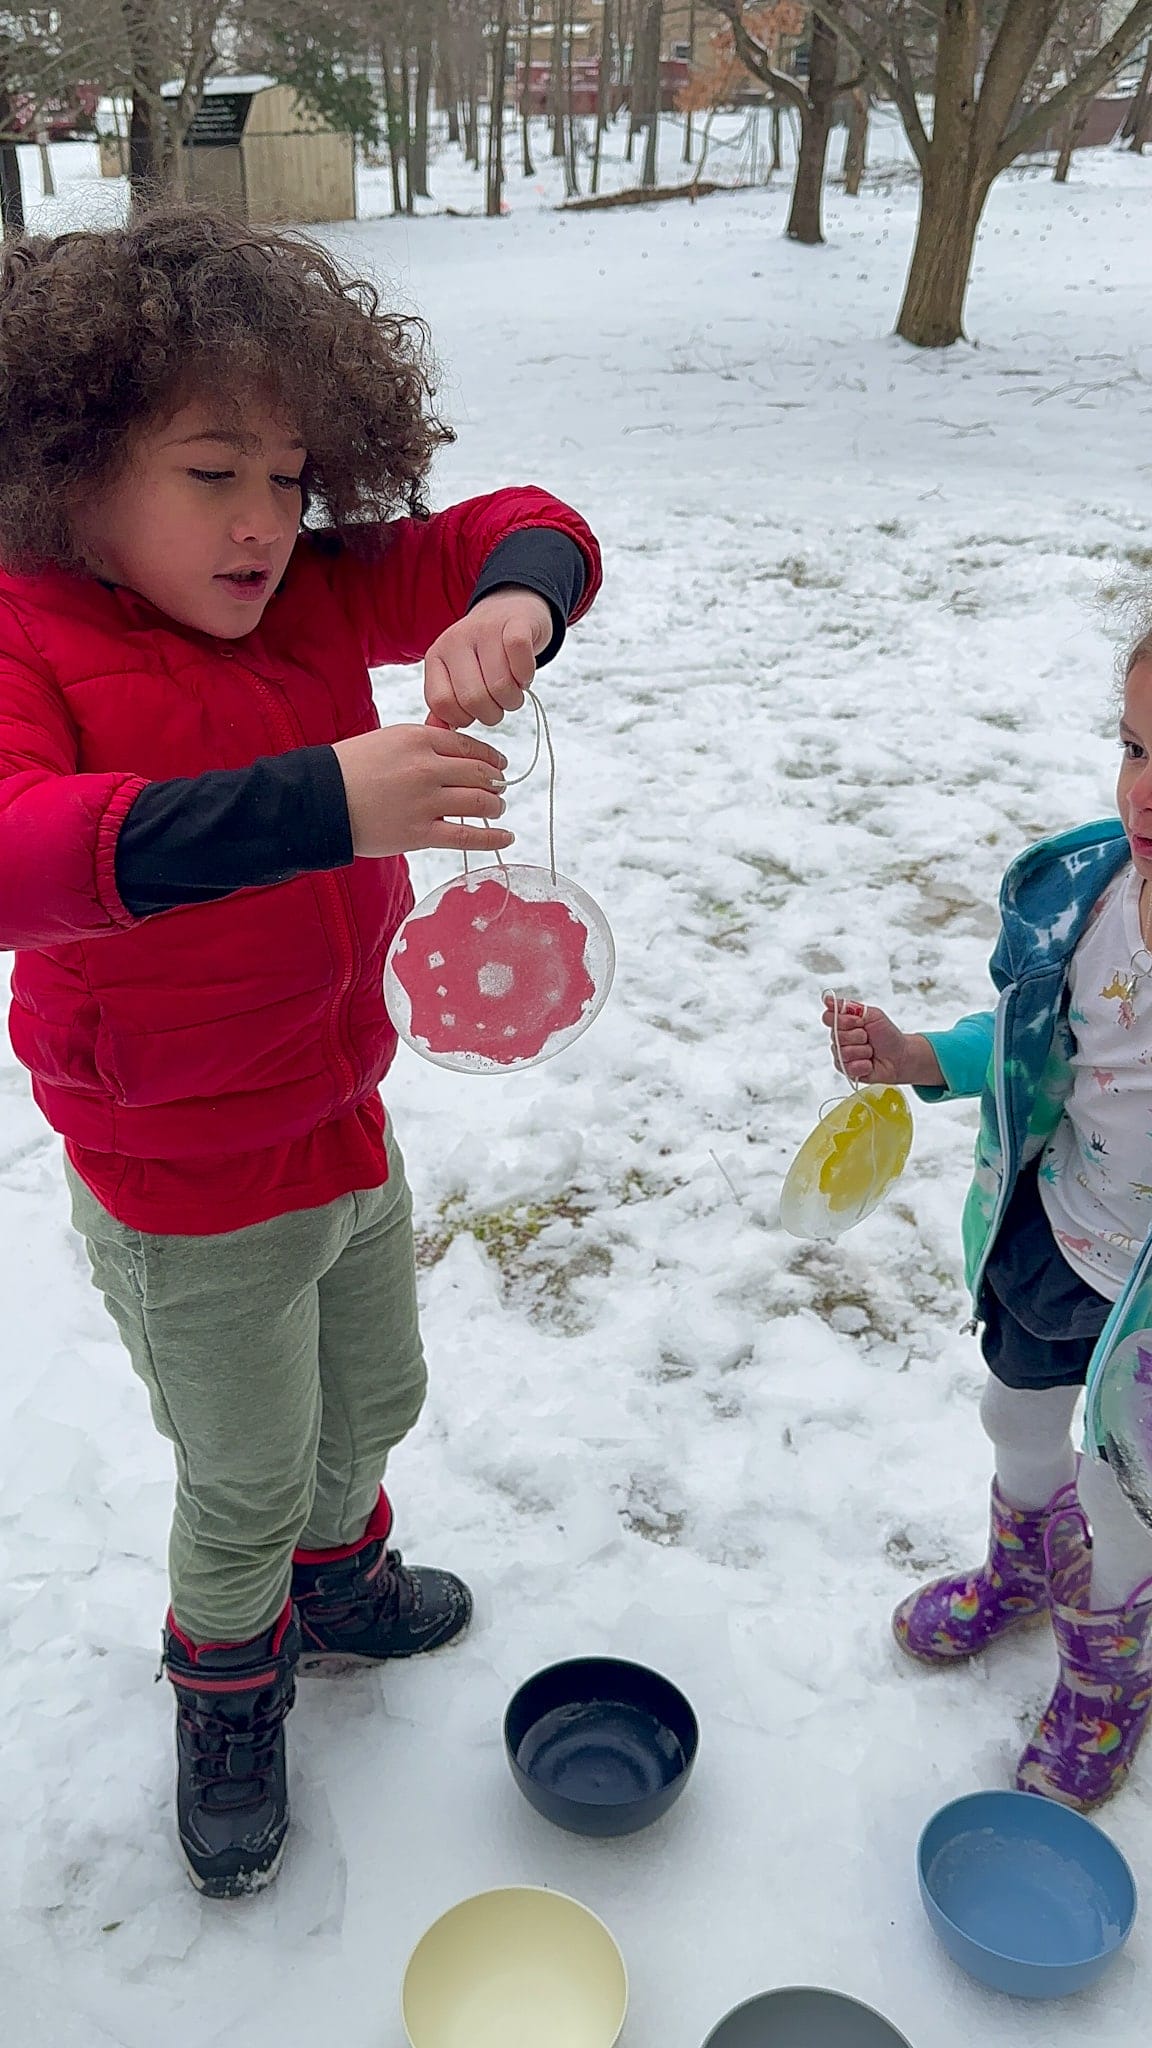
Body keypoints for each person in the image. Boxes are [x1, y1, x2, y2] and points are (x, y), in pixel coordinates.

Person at [0, 206, 601, 1897]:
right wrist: (323, 797)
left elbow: (531, 523)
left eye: (289, 474)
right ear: (70, 469)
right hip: (181, 1184)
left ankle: (341, 1581)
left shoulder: (312, 587)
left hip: (342, 1118)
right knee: (246, 1470)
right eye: (212, 474)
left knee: (376, 1397)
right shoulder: (30, 636)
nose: (265, 521)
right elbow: (21, 850)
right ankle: (230, 1681)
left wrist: (509, 604)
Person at [822, 626, 1152, 1813]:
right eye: (1133, 745)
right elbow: (1029, 1043)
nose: (1143, 791)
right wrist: (919, 1055)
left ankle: (1111, 1670)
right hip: (1054, 1232)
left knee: (1125, 1494)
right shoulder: (1100, 899)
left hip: (1149, 1310)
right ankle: (1021, 1565)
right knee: (1014, 1408)